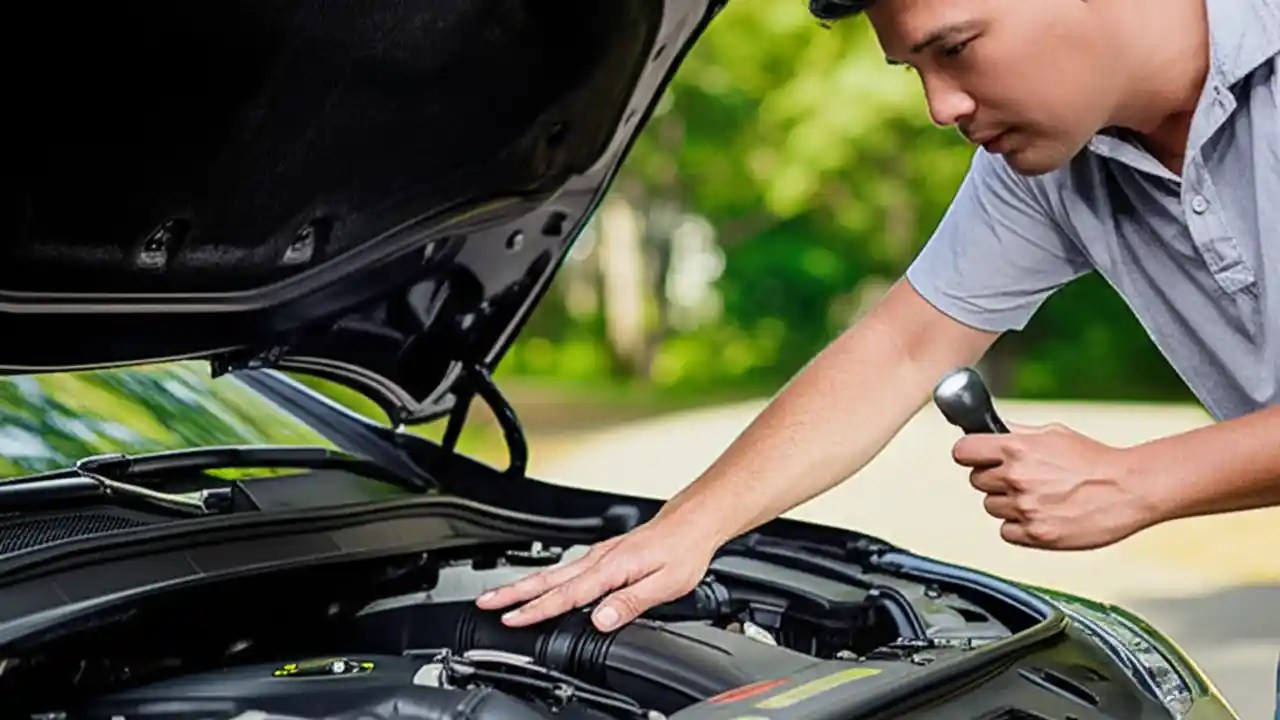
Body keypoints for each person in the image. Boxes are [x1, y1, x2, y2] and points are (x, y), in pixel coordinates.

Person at [479, 0, 1280, 706]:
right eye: (914, 69)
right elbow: (902, 348)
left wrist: (1145, 478)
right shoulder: (1049, 167)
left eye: (956, 48)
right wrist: (685, 530)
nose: (941, 106)